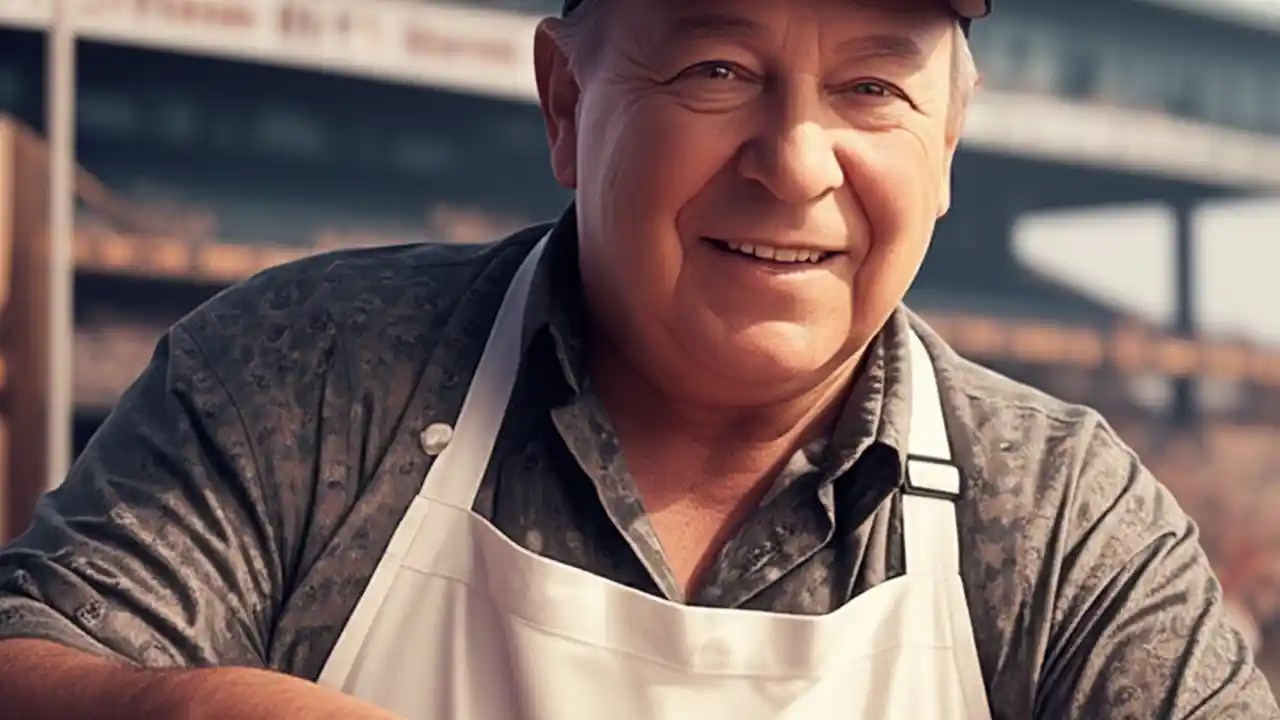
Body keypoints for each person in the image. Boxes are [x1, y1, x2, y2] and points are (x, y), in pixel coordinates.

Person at [0, 0, 1276, 717]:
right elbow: (32, 652)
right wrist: (181, 710)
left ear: (947, 141)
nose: (794, 164)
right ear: (564, 102)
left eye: (872, 89)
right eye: (715, 69)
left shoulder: (1059, 518)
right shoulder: (312, 374)